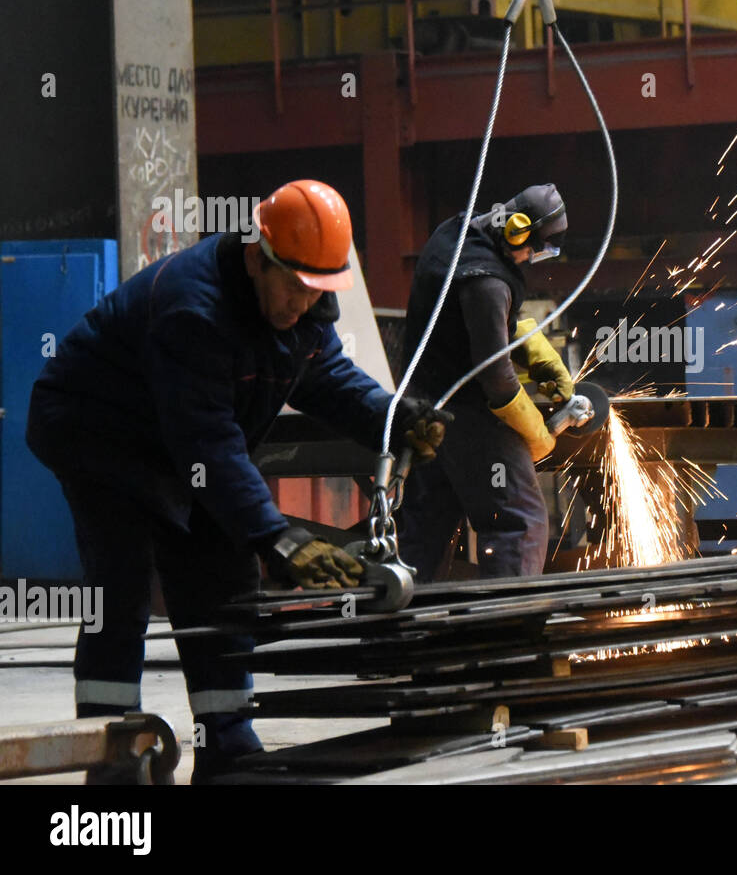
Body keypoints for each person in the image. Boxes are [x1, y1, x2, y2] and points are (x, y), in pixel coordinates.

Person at [26, 179, 449, 782]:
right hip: (97, 434)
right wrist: (275, 535)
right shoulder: (193, 310)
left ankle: (227, 748)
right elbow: (207, 444)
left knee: (221, 575)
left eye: (317, 293)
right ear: (257, 258)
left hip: (175, 442)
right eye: (296, 289)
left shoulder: (302, 311)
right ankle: (110, 752)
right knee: (119, 584)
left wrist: (394, 419)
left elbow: (328, 380)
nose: (303, 305)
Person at [397, 184, 573, 579]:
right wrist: (537, 434)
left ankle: (407, 627)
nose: (530, 258)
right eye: (535, 248)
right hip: (468, 416)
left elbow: (461, 326)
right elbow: (496, 378)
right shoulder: (488, 280)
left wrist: (530, 344)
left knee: (427, 525)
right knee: (518, 520)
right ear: (518, 229)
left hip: (425, 409)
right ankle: (509, 630)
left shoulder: (454, 233)